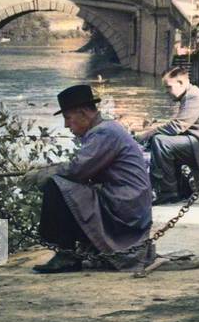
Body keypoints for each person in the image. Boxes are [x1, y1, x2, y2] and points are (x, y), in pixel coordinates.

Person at [23, 84, 154, 274]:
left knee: (56, 186)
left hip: (125, 204)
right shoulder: (107, 129)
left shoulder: (104, 132)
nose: (67, 125)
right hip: (127, 201)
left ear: (83, 113)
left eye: (68, 118)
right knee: (62, 183)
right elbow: (83, 166)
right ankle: (73, 251)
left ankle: (66, 255)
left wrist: (45, 173)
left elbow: (77, 170)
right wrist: (48, 169)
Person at [135, 67, 199, 205]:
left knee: (162, 143)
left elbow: (178, 126)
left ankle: (168, 193)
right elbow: (179, 125)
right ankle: (179, 190)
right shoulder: (190, 95)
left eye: (168, 87)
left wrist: (148, 134)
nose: (166, 92)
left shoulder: (194, 96)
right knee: (163, 142)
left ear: (181, 83)